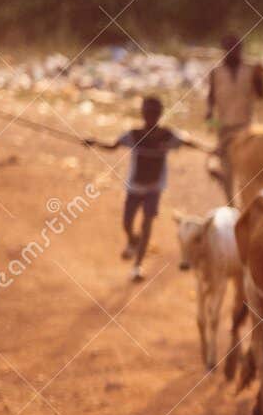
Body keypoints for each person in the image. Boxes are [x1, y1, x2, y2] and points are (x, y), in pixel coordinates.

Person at [84, 96, 207, 281]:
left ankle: (137, 266)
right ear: (142, 113)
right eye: (148, 113)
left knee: (147, 224)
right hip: (134, 187)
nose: (151, 116)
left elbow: (187, 141)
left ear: (159, 115)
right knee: (127, 223)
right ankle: (133, 241)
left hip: (154, 188)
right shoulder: (133, 134)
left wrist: (208, 148)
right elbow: (112, 146)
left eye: (154, 113)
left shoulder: (168, 135)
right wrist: (93, 142)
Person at [205, 34, 263, 199]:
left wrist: (260, 78)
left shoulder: (251, 70)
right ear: (224, 51)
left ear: (241, 50)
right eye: (229, 49)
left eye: (237, 49)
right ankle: (230, 203)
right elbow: (211, 100)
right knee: (227, 168)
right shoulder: (216, 72)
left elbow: (260, 95)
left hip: (246, 127)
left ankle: (246, 203)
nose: (233, 52)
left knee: (247, 168)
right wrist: (211, 123)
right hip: (224, 128)